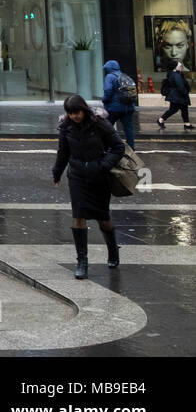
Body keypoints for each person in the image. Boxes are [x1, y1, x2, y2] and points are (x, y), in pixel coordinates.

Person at [52, 94, 125, 279]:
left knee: (103, 218)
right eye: (71, 113)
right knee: (78, 217)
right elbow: (63, 152)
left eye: (77, 112)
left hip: (99, 177)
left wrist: (103, 165)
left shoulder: (99, 123)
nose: (75, 116)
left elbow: (118, 147)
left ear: (83, 109)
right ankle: (82, 262)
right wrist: (57, 172)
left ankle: (112, 249)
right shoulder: (66, 127)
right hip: (77, 176)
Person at [102, 60, 138, 148]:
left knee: (106, 128)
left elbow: (108, 91)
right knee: (128, 128)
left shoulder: (109, 76)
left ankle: (106, 147)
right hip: (128, 107)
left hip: (114, 108)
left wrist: (104, 100)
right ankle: (131, 148)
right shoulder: (124, 75)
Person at [156, 58, 192, 131]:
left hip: (176, 95)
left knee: (184, 109)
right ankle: (161, 119)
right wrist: (185, 93)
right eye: (179, 66)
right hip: (177, 96)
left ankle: (187, 124)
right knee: (173, 109)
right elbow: (180, 86)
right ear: (175, 67)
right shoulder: (176, 75)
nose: (180, 67)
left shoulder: (175, 74)